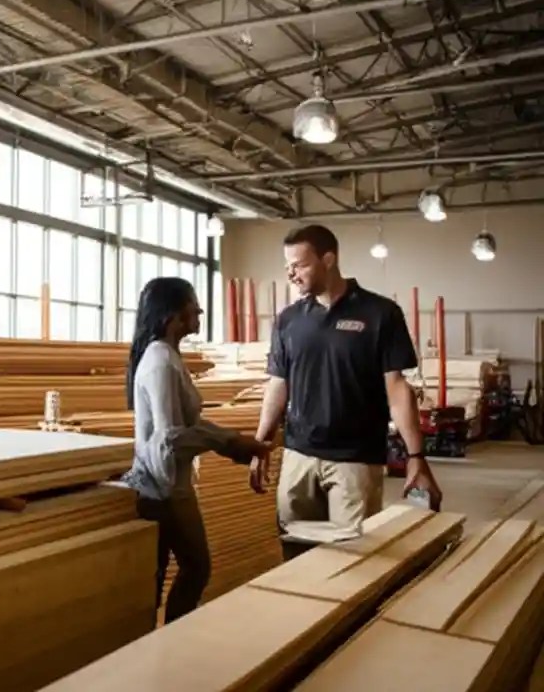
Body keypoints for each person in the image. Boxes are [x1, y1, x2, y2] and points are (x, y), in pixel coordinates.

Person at [250, 224, 443, 559]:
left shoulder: (380, 314)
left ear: (329, 259)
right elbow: (279, 384)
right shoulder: (289, 320)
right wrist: (261, 443)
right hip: (299, 456)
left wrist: (416, 457)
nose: (292, 274)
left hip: (355, 460)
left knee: (354, 559)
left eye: (300, 265)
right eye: (287, 267)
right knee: (294, 553)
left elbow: (397, 388)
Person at [120, 276, 272, 623]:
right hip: (162, 486)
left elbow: (187, 427)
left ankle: (160, 641)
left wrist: (232, 441)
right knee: (195, 567)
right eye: (194, 308)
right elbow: (169, 438)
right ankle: (170, 640)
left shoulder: (169, 356)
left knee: (162, 574)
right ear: (172, 314)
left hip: (167, 481)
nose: (199, 316)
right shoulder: (159, 361)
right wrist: (227, 443)